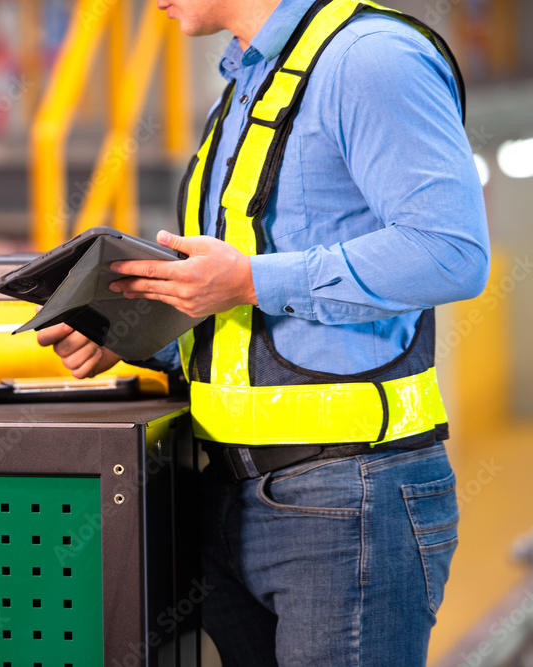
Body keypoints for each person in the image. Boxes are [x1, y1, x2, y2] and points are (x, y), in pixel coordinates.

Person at [39, 0, 490, 664]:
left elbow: (451, 252)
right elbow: (242, 302)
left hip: (349, 496)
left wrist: (252, 280)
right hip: (230, 493)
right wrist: (136, 332)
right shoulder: (249, 83)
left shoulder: (370, 60)